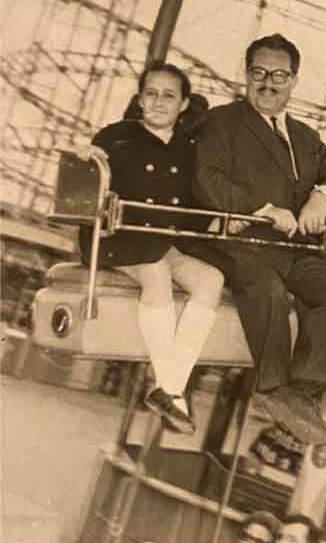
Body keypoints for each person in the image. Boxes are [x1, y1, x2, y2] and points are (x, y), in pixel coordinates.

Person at [193, 34, 326, 446]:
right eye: (259, 73)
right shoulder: (222, 122)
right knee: (266, 292)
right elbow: (206, 179)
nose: (268, 83)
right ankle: (272, 389)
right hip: (241, 243)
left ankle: (300, 392)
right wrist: (265, 209)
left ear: (294, 80)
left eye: (279, 75)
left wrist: (322, 197)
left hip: (292, 251)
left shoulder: (304, 137)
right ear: (246, 75)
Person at [75, 62, 224, 435]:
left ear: (184, 104)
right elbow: (86, 181)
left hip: (161, 240)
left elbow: (199, 205)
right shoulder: (116, 136)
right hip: (117, 239)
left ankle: (168, 387)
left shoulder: (190, 150)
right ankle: (172, 390)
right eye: (151, 93)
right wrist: (86, 155)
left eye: (169, 95)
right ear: (140, 99)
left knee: (211, 280)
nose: (158, 102)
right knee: (155, 272)